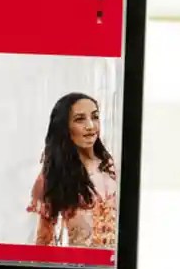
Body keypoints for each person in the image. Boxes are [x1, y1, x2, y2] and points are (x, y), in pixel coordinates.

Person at [28, 92, 118, 248]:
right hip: (78, 260)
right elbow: (43, 241)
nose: (91, 126)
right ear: (64, 127)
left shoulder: (111, 167)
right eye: (80, 119)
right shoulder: (51, 176)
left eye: (95, 117)